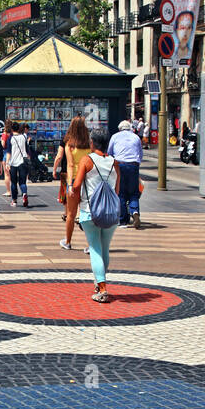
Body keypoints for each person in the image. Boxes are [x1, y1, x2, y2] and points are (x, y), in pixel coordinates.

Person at [72, 129, 121, 303]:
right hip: (110, 212)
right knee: (104, 248)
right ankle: (99, 282)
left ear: (92, 143)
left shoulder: (87, 160)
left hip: (90, 211)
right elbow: (116, 189)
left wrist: (71, 192)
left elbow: (77, 185)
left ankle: (102, 288)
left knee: (94, 248)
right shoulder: (114, 162)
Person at [59, 116, 92, 249]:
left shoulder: (70, 144)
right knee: (88, 213)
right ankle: (91, 245)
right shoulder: (89, 143)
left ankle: (67, 241)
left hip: (74, 180)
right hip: (88, 180)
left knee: (71, 214)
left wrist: (70, 185)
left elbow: (70, 165)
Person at [108, 118, 143, 228]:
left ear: (120, 129)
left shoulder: (115, 137)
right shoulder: (136, 137)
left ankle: (123, 219)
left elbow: (110, 152)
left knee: (121, 192)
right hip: (134, 165)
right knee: (133, 192)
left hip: (120, 165)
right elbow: (140, 154)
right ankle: (135, 212)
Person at [6, 121, 31, 208]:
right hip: (23, 162)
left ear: (12, 129)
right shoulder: (24, 137)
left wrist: (7, 163)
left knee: (13, 182)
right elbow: (27, 150)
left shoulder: (11, 138)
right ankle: (24, 193)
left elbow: (8, 152)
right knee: (22, 182)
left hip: (13, 163)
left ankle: (14, 201)